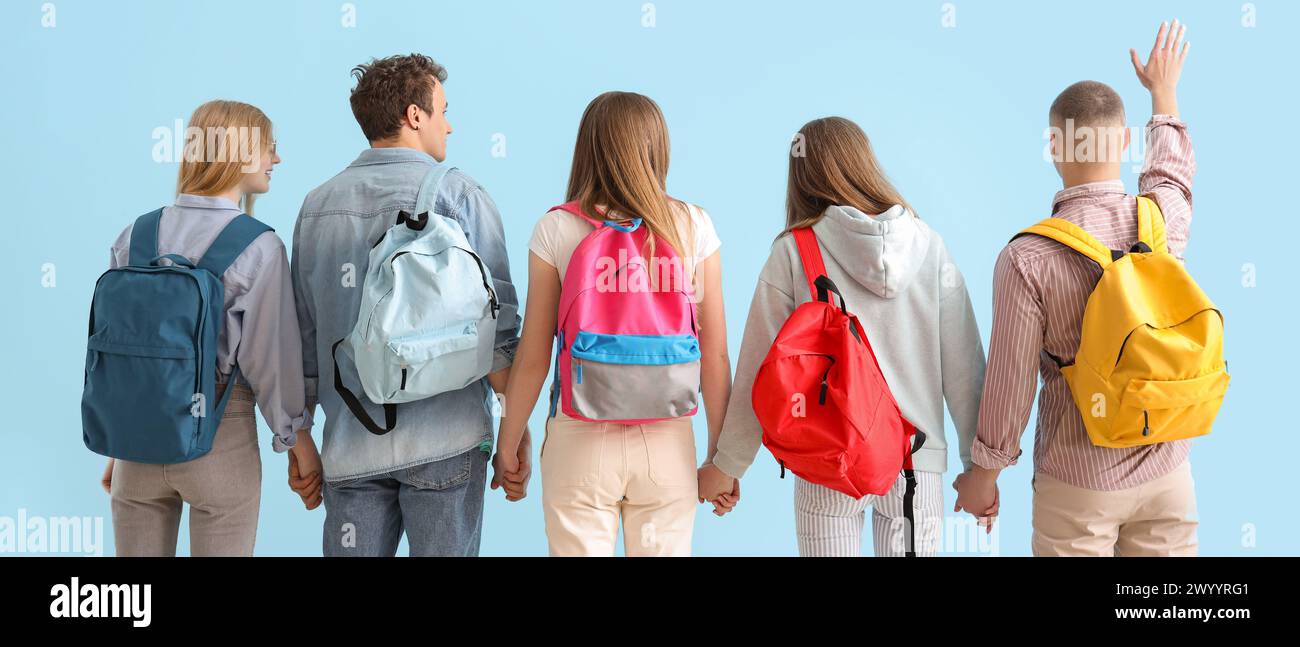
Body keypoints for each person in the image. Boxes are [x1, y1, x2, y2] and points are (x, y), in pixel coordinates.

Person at [956, 21, 1198, 556]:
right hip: (1168, 471)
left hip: (1078, 480)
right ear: (1126, 140)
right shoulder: (1159, 221)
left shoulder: (1027, 256)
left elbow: (1012, 381)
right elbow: (1172, 175)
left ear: (1053, 146)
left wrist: (985, 475)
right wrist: (1163, 93)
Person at [700, 116, 986, 556]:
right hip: (915, 460)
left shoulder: (794, 251)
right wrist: (977, 469)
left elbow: (763, 370)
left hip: (827, 458)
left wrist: (727, 464)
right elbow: (964, 365)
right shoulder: (929, 245)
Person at [291, 54, 523, 557]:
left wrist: (299, 438)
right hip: (449, 439)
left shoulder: (317, 206)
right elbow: (500, 327)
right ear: (415, 116)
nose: (450, 124)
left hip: (351, 444)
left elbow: (305, 339)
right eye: (443, 110)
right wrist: (513, 428)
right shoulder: (461, 195)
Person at [494, 91, 731, 556]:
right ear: (656, 148)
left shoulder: (557, 229)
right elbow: (715, 357)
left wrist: (507, 444)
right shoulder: (693, 226)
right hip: (667, 443)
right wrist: (720, 460)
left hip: (579, 440)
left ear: (588, 149)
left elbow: (534, 357)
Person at [101, 99, 320, 557]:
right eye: (268, 147)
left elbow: (123, 350)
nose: (275, 159)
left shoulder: (133, 236)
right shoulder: (259, 246)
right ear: (239, 153)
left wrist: (117, 448)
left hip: (136, 447)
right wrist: (298, 442)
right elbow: (270, 362)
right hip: (220, 441)